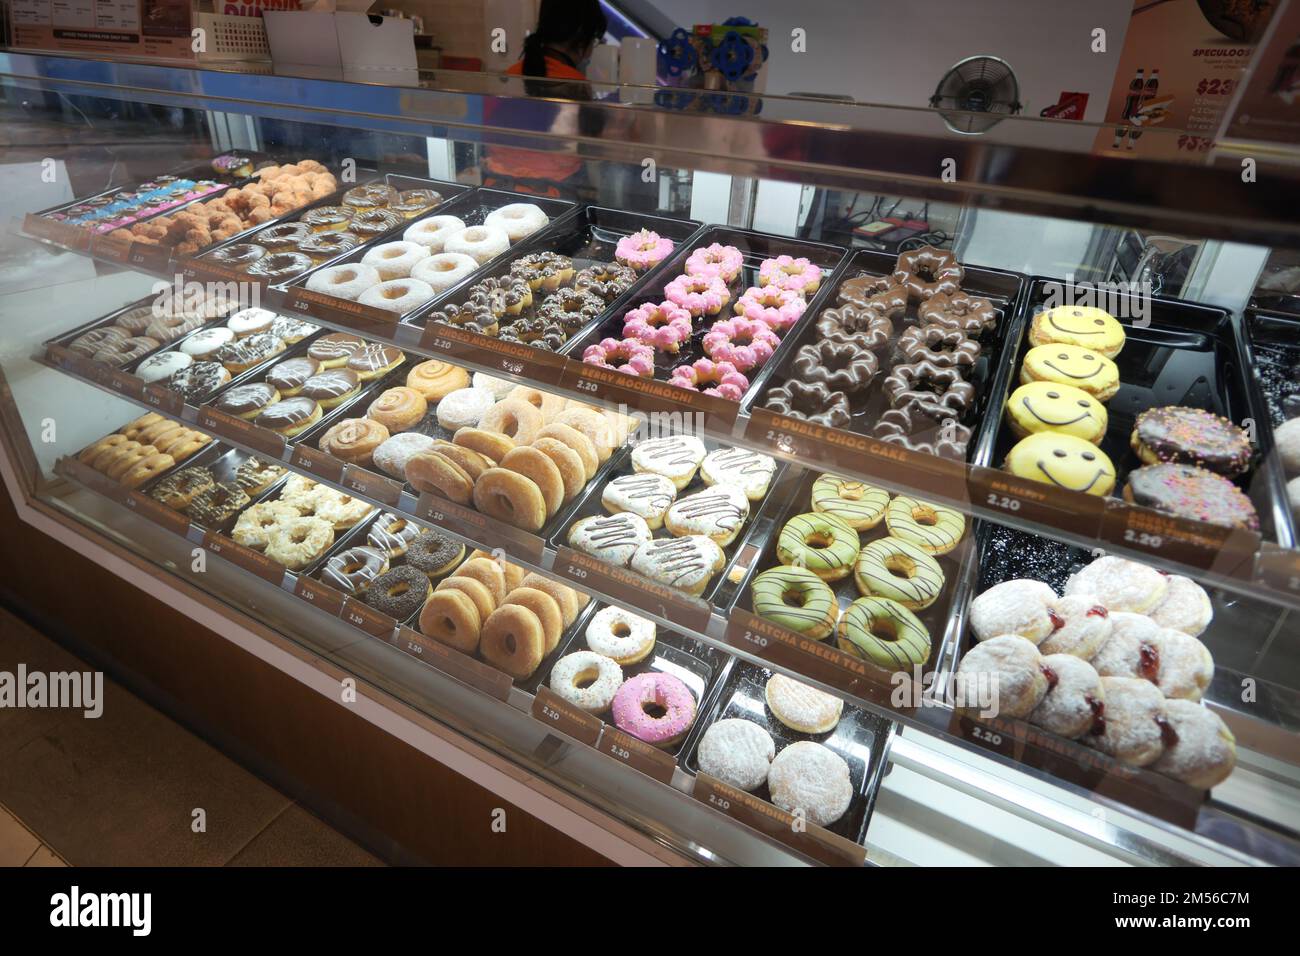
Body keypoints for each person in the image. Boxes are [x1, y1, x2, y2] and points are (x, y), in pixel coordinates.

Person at [482, 0, 608, 199]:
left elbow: (488, 139)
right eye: (594, 40)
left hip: (498, 189)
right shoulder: (575, 84)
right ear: (582, 38)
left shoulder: (509, 75)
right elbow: (585, 151)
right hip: (554, 196)